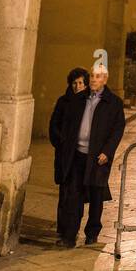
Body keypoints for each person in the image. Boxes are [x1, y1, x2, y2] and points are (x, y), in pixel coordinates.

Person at [55, 65, 126, 248]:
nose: (93, 80)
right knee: (73, 196)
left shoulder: (114, 103)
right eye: (92, 76)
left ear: (105, 79)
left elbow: (117, 130)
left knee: (96, 196)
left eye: (98, 77)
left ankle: (92, 232)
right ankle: (70, 236)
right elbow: (67, 124)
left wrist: (107, 152)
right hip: (77, 155)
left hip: (97, 157)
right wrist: (65, 144)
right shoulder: (79, 99)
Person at [48, 66, 89, 238]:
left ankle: (71, 230)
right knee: (64, 191)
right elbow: (53, 125)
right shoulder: (63, 101)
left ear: (86, 84)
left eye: (80, 83)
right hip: (65, 155)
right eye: (74, 83)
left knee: (75, 193)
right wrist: (62, 142)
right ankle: (62, 227)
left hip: (80, 156)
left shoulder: (89, 104)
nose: (77, 86)